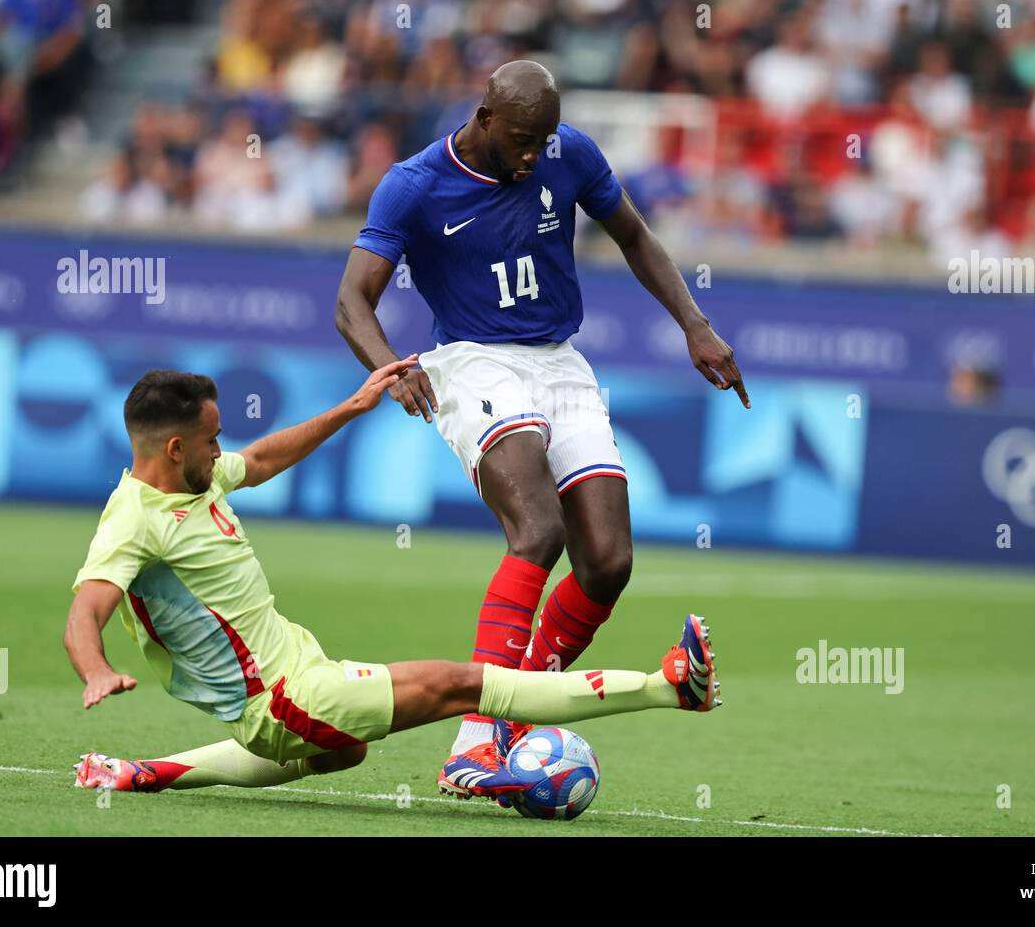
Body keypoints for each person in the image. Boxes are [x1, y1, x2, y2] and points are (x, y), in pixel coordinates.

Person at [335, 59, 745, 798]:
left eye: (544, 139)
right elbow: (351, 301)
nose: (534, 154)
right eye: (522, 139)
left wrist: (696, 325)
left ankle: (520, 703)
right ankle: (473, 739)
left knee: (609, 562)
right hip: (473, 362)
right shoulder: (416, 183)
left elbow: (636, 236)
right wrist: (393, 367)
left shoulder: (568, 153)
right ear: (485, 117)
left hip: (561, 364)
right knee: (538, 530)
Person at [66, 364, 719, 799]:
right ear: (174, 448)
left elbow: (262, 458)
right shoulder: (132, 522)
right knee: (459, 684)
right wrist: (96, 668)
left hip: (297, 667)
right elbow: (85, 613)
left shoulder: (198, 475)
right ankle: (668, 688)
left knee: (342, 754)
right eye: (211, 438)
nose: (221, 448)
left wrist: (353, 405)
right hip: (280, 696)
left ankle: (145, 772)